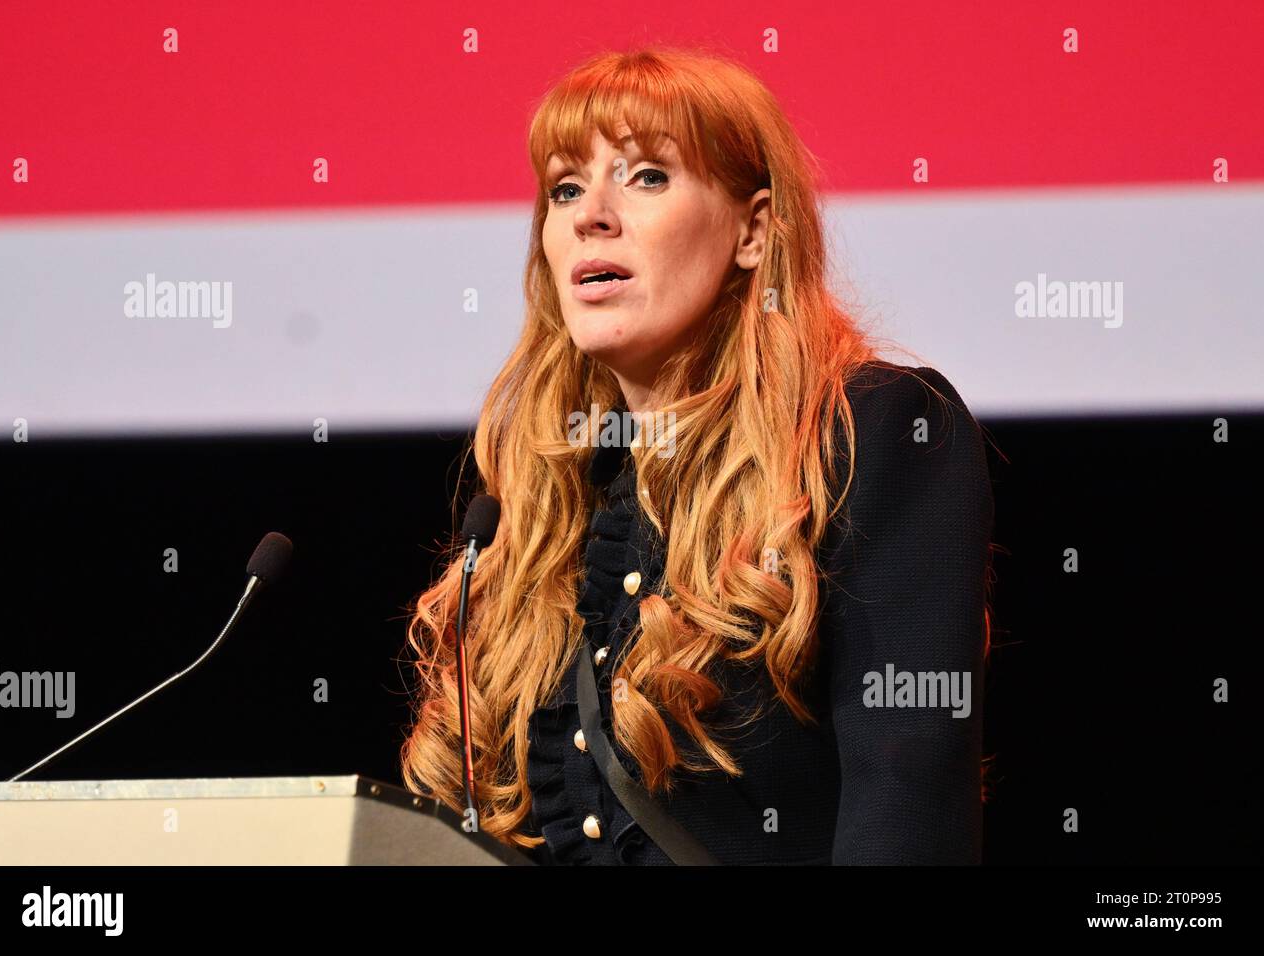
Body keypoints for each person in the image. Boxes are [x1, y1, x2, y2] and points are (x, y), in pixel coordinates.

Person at [400, 46, 995, 865]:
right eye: (566, 188)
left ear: (752, 232)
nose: (589, 215)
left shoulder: (870, 431)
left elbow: (908, 792)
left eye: (645, 177)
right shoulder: (549, 499)